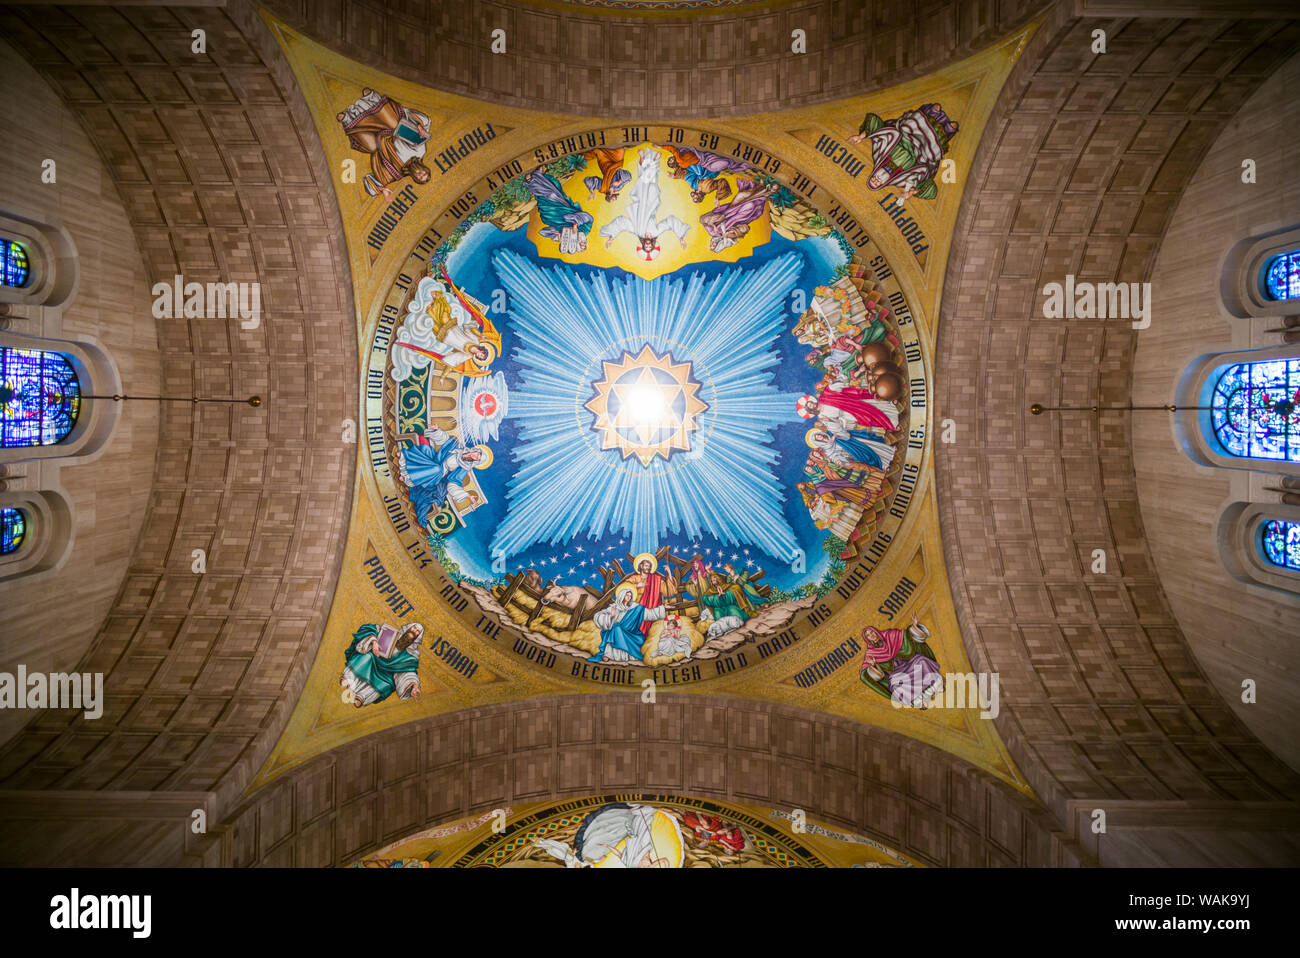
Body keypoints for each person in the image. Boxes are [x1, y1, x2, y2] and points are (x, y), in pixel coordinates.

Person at [847, 103, 958, 202]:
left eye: (874, 179)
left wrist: (860, 136)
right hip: (925, 148)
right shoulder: (902, 181)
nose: (878, 178)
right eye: (877, 183)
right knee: (952, 126)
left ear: (873, 173)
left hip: (909, 132)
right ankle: (948, 129)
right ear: (883, 184)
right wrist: (911, 192)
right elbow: (931, 190)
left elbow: (874, 122)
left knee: (934, 108)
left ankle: (933, 113)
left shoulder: (878, 153)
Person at [337, 89, 432, 199]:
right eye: (424, 174)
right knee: (393, 124)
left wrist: (382, 190)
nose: (421, 175)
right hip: (393, 129)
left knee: (371, 147)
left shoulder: (396, 173)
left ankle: (348, 118)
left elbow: (371, 180)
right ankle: (371, 98)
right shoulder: (420, 151)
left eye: (420, 178)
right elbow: (425, 125)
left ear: (415, 178)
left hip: (379, 141)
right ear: (425, 169)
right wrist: (420, 126)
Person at [599, 147, 689, 260]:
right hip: (651, 202)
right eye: (649, 246)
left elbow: (621, 223)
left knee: (641, 181)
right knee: (652, 183)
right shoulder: (656, 232)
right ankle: (655, 160)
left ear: (643, 244)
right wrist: (681, 237)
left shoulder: (637, 231)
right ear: (652, 244)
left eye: (645, 246)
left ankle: (643, 158)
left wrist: (611, 238)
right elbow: (670, 222)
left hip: (640, 200)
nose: (647, 244)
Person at [397, 425, 491, 528]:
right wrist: (437, 430)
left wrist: (466, 495)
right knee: (426, 449)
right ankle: (406, 461)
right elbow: (445, 439)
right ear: (476, 450)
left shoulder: (464, 468)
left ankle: (407, 478)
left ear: (476, 461)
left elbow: (454, 484)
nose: (475, 456)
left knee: (437, 470)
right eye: (478, 454)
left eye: (478, 458)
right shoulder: (457, 447)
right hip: (435, 460)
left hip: (437, 476)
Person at [859, 612, 942, 708]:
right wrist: (873, 665)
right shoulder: (870, 653)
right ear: (868, 639)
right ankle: (918, 701)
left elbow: (905, 635)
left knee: (922, 661)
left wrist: (914, 626)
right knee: (895, 686)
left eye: (872, 632)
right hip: (896, 672)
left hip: (909, 663)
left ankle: (934, 686)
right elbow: (868, 671)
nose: (871, 635)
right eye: (868, 635)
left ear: (876, 631)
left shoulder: (890, 634)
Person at [340, 622, 424, 706]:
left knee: (388, 683)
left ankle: (362, 697)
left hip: (386, 673)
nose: (414, 631)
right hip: (374, 658)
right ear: (409, 628)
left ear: (418, 636)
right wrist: (373, 642)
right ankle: (349, 678)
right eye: (414, 628)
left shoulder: (412, 655)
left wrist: (414, 686)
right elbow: (369, 630)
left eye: (417, 631)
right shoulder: (390, 633)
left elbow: (408, 671)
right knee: (367, 657)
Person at [524, 169, 593, 253]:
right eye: (584, 244)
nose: (582, 243)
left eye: (581, 245)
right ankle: (538, 176)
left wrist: (558, 235)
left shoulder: (565, 237)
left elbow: (544, 232)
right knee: (554, 190)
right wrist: (576, 221)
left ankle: (531, 181)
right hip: (564, 207)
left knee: (547, 198)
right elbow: (588, 218)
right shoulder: (585, 230)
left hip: (553, 215)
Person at [589, 585, 664, 663]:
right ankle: (608, 654)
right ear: (622, 595)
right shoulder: (614, 607)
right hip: (616, 632)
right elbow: (598, 616)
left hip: (631, 633)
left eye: (630, 596)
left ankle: (624, 655)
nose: (629, 597)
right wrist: (611, 616)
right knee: (616, 628)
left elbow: (649, 614)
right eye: (627, 595)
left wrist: (663, 609)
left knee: (617, 629)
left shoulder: (635, 608)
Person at [699, 179, 777, 252]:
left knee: (741, 195)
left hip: (730, 210)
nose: (712, 245)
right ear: (718, 247)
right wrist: (730, 233)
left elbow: (704, 221)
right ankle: (769, 192)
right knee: (750, 205)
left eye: (711, 245)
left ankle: (760, 187)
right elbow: (743, 229)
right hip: (740, 217)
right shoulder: (729, 241)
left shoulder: (712, 233)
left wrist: (714, 225)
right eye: (713, 247)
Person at [619, 553, 676, 636]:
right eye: (646, 566)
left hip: (653, 608)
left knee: (653, 632)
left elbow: (668, 589)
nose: (648, 568)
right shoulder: (635, 578)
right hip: (636, 609)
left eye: (649, 566)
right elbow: (624, 588)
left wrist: (669, 572)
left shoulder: (655, 579)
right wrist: (637, 586)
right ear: (641, 566)